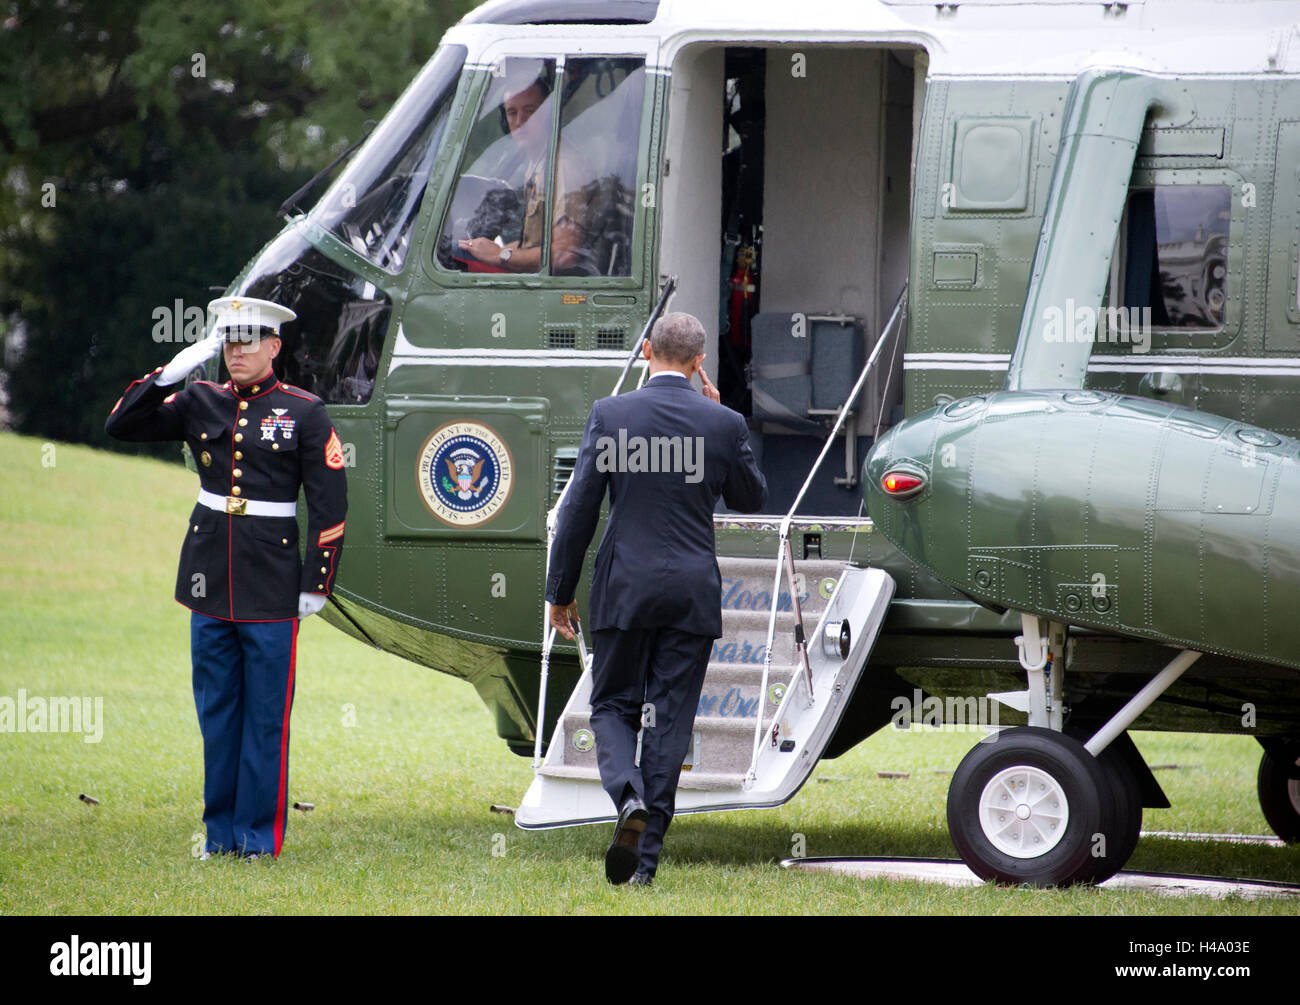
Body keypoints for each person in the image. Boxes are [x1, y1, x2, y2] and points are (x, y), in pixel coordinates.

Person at [105, 296, 348, 859]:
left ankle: (256, 839)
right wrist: (170, 374)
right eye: (229, 340)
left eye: (248, 340)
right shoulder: (199, 400)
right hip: (208, 576)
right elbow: (123, 425)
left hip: (271, 579)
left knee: (265, 719)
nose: (236, 351)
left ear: (273, 347)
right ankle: (219, 835)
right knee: (217, 715)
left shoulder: (305, 411)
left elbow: (330, 505)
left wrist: (318, 582)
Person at [545, 312, 768, 885]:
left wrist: (559, 592)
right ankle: (644, 868)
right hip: (692, 591)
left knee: (613, 706)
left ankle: (628, 799)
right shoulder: (722, 422)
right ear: (699, 362)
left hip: (625, 586)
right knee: (671, 721)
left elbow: (579, 510)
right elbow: (750, 498)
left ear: (647, 350)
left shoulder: (612, 415)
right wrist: (725, 419)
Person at [458, 74, 589, 274]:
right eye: (512, 112)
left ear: (548, 115)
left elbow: (564, 253)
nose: (520, 121)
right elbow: (535, 243)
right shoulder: (540, 162)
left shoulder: (563, 166)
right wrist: (491, 249)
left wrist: (500, 256)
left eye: (531, 112)